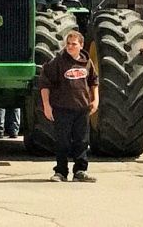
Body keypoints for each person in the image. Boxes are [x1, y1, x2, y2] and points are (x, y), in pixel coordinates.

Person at [39, 30, 98, 183]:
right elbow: (45, 84)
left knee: (82, 141)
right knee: (62, 142)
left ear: (81, 45)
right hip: (62, 109)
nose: (70, 47)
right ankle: (60, 172)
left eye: (74, 44)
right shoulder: (58, 62)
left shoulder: (87, 62)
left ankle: (80, 171)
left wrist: (95, 100)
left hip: (82, 109)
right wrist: (46, 105)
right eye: (68, 44)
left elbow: (94, 81)